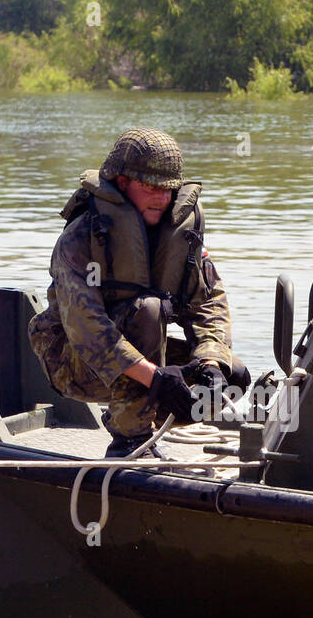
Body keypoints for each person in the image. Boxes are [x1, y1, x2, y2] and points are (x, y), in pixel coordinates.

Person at [28, 128, 249, 457]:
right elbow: (90, 332)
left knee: (234, 376)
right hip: (72, 363)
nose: (161, 198)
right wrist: (158, 379)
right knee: (148, 310)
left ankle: (133, 411)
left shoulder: (178, 234)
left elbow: (209, 305)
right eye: (150, 188)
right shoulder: (79, 239)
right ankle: (129, 440)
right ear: (121, 183)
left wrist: (210, 364)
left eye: (168, 189)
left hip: (139, 357)